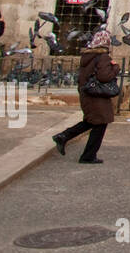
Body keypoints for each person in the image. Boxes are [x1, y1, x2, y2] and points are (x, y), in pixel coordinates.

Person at [51, 29, 118, 164]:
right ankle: (88, 155)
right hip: (97, 96)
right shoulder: (103, 57)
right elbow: (104, 76)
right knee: (99, 124)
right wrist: (115, 68)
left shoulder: (88, 56)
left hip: (87, 94)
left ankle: (63, 137)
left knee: (91, 121)